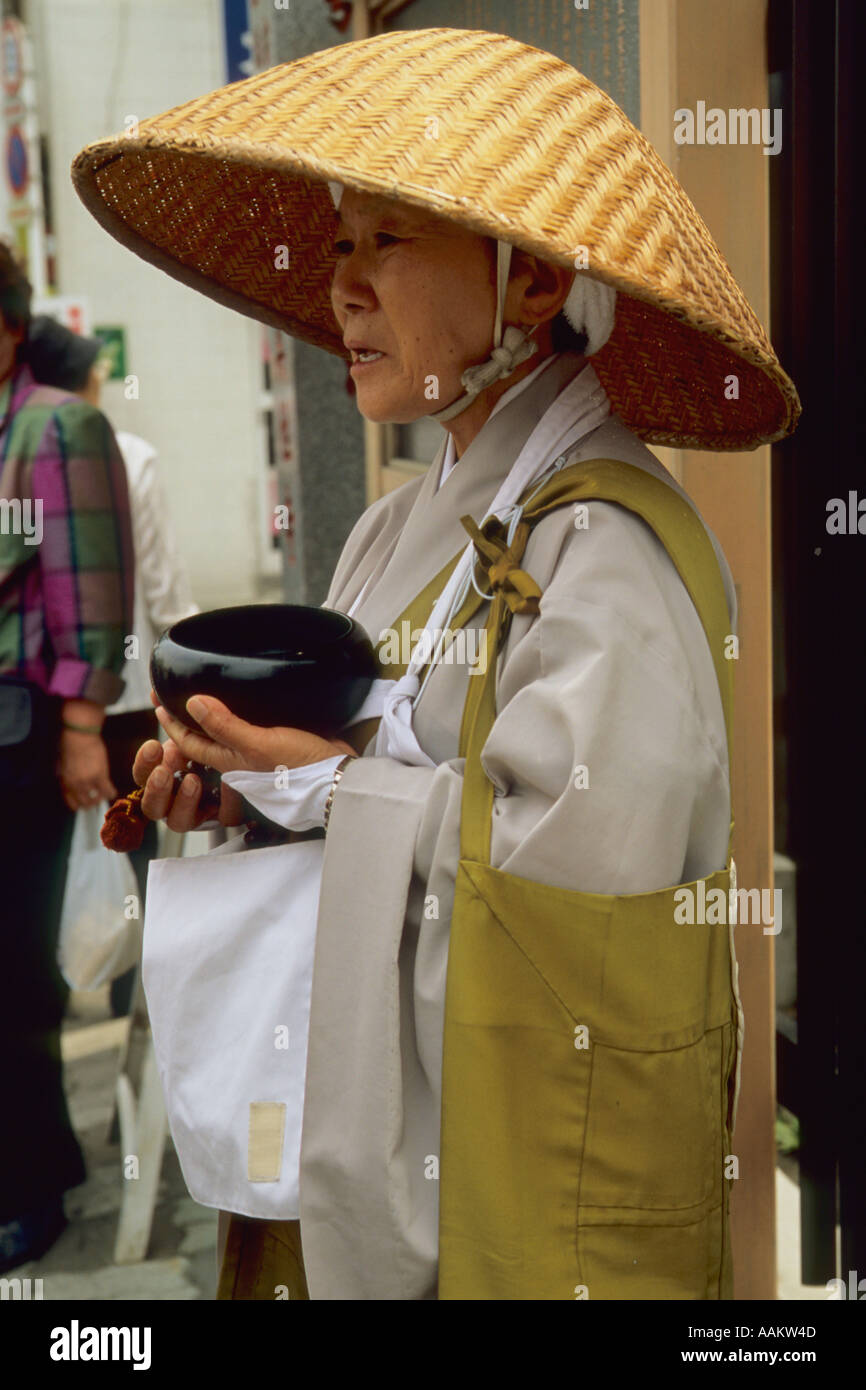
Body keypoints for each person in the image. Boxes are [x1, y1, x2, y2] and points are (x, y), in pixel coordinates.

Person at [71, 28, 799, 1299]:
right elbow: (369, 775)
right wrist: (243, 790)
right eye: (340, 245)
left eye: (386, 243)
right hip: (356, 1125)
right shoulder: (396, 523)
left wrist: (328, 789)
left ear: (527, 285)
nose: (342, 289)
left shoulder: (608, 544)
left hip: (504, 1178)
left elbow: (565, 892)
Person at [0, 248, 134, 1272]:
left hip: (19, 739)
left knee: (11, 971)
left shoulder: (55, 424)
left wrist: (85, 731)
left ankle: (28, 1187)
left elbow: (88, 595)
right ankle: (41, 1157)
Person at [25, 315, 198, 1016]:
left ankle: (53, 1010)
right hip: (126, 703)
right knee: (133, 849)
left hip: (47, 706)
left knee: (47, 870)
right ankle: (136, 1008)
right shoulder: (129, 456)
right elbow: (163, 591)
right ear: (86, 380)